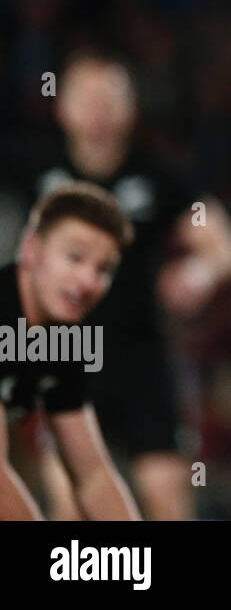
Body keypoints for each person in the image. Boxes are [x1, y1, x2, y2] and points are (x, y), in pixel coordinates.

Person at [7, 48, 231, 520]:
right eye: (86, 96)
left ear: (131, 107)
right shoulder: (33, 166)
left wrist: (198, 273)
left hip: (142, 362)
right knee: (71, 503)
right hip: (63, 358)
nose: (98, 109)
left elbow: (227, 249)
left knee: (167, 498)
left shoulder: (156, 176)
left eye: (109, 97)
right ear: (62, 106)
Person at [0, 182, 141, 520]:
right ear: (31, 249)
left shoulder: (62, 341)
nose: (87, 281)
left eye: (103, 269)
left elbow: (93, 476)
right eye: (75, 258)